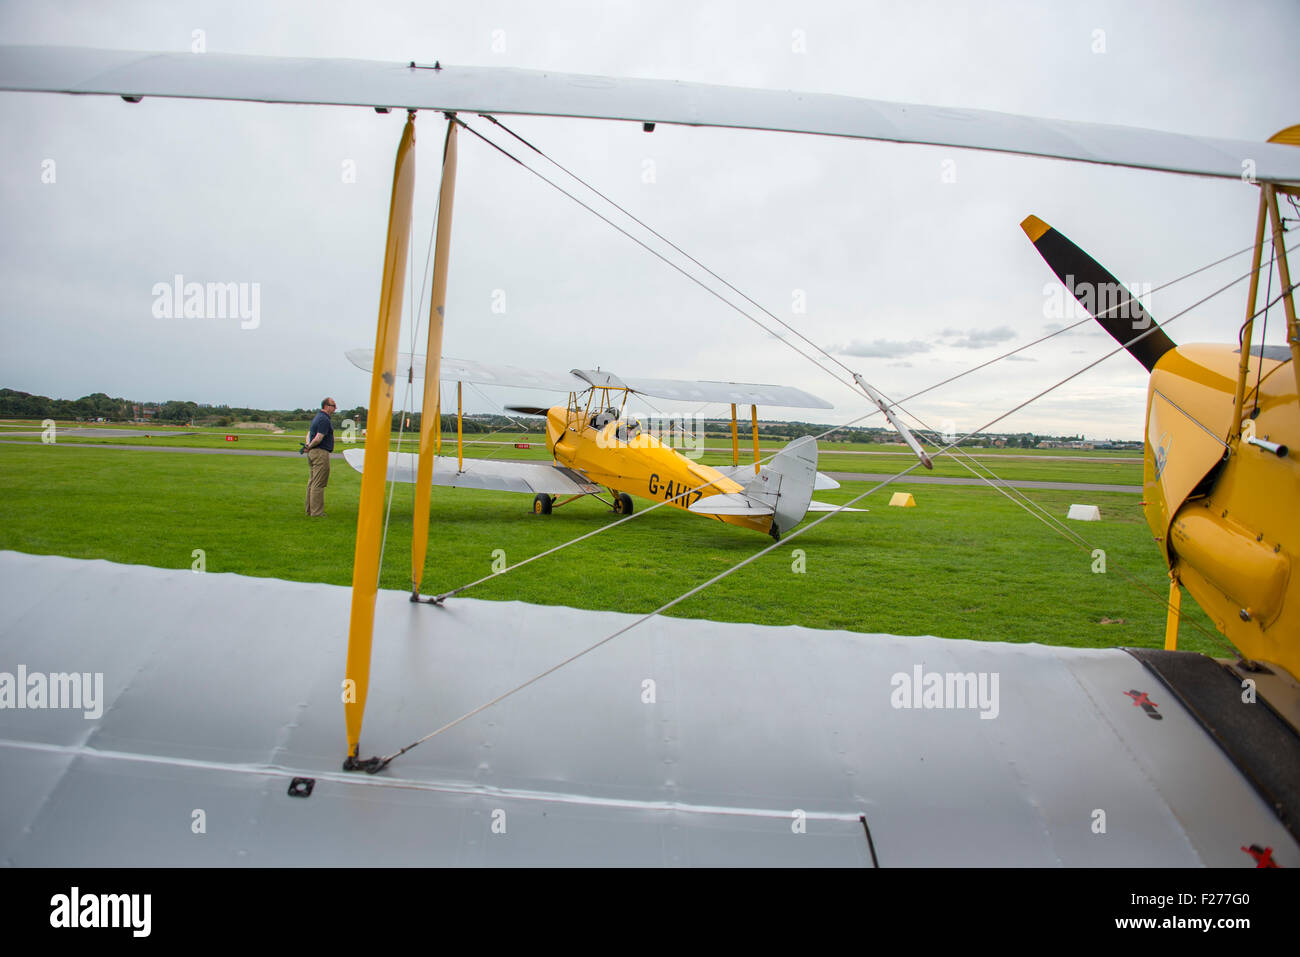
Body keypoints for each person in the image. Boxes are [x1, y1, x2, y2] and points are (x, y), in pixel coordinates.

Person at [304, 397, 336, 516]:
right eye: (333, 406)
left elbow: (309, 434)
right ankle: (317, 512)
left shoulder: (317, 417)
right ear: (327, 406)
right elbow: (318, 437)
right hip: (320, 452)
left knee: (312, 482)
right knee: (319, 483)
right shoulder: (324, 419)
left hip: (313, 453)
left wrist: (308, 446)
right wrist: (310, 446)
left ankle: (309, 510)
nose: (335, 408)